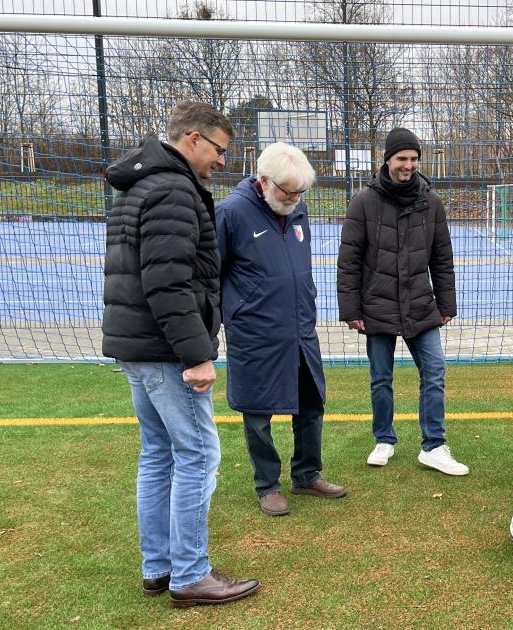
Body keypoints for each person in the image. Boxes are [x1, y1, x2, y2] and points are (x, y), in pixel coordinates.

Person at [102, 101, 258, 606]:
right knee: (197, 454)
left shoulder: (143, 185)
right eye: (218, 150)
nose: (221, 161)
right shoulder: (172, 189)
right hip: (166, 349)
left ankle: (160, 567)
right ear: (193, 139)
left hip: (141, 346)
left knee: (158, 453)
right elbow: (167, 282)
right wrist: (196, 354)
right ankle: (190, 575)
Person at [216, 143, 347, 517]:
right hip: (255, 335)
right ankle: (267, 485)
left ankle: (307, 474)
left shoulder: (297, 208)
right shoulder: (230, 213)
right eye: (288, 192)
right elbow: (210, 275)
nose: (294, 199)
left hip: (300, 330)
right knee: (258, 414)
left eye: (300, 192)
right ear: (263, 180)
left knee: (311, 405)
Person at [336, 127, 468, 476]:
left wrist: (446, 303)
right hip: (376, 304)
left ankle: (435, 446)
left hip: (420, 304)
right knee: (381, 377)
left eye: (413, 159)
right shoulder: (363, 202)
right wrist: (350, 309)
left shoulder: (431, 202)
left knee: (435, 371)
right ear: (388, 160)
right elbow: (348, 260)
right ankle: (384, 439)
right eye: (402, 158)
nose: (408, 165)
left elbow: (442, 257)